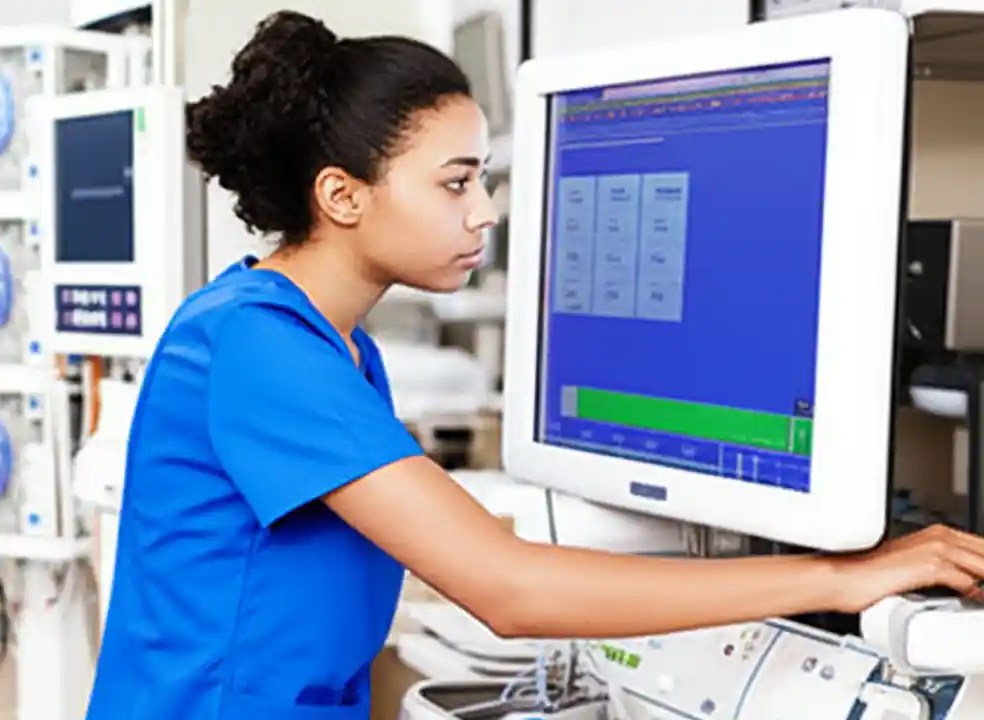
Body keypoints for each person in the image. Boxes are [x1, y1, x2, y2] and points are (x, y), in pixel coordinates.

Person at [85, 10, 984, 720]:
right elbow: (506, 589)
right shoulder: (255, 346)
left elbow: (479, 553)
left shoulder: (332, 344)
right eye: (455, 181)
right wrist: (841, 576)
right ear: (341, 195)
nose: (485, 212)